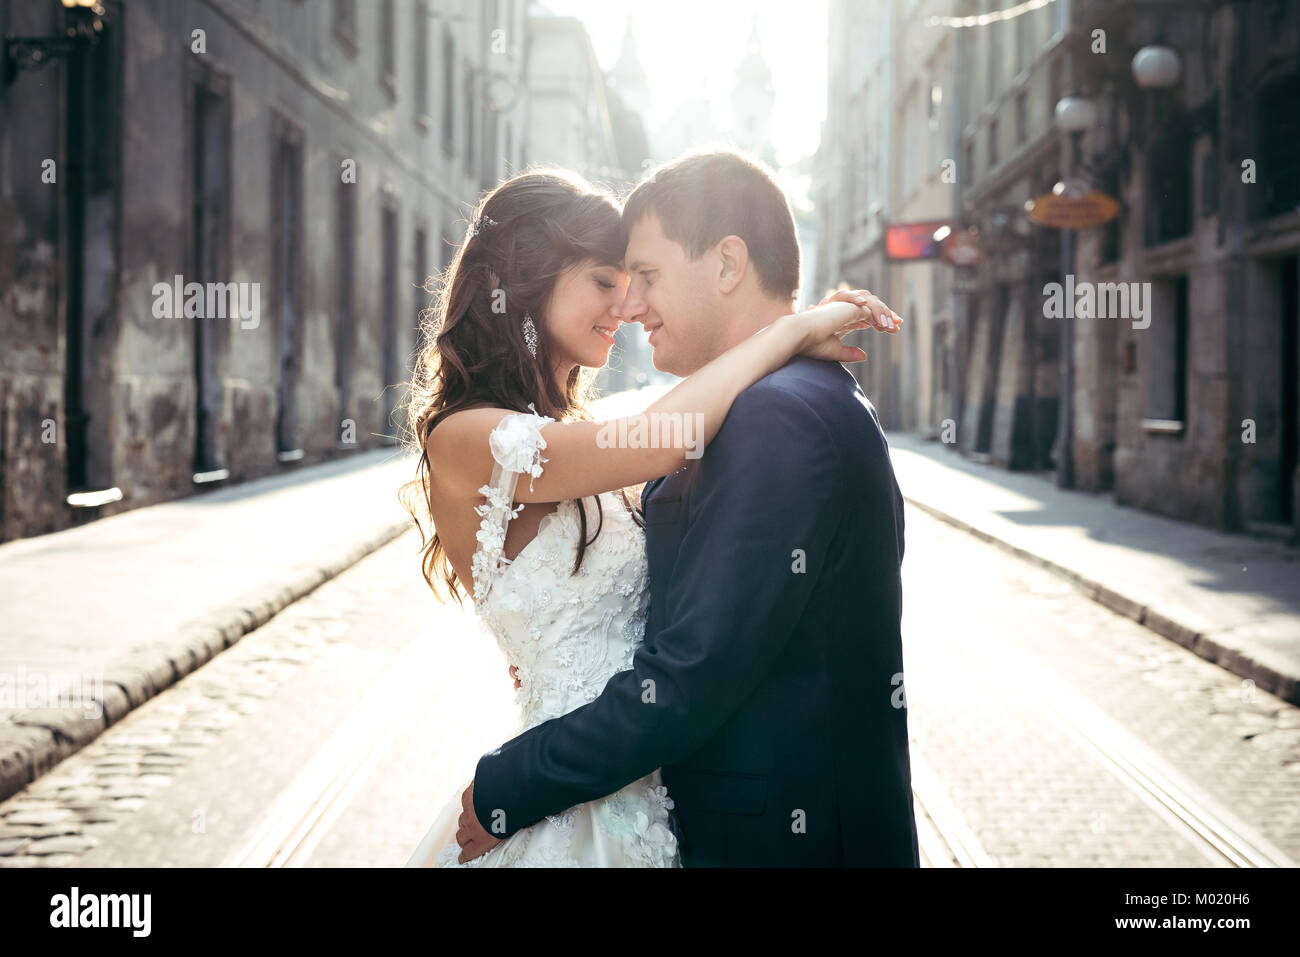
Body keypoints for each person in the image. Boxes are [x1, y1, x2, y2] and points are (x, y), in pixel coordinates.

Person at [401, 158, 905, 867]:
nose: (627, 305)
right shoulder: (472, 437)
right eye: (606, 280)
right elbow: (665, 440)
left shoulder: (605, 430)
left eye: (638, 277)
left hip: (636, 794)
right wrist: (788, 333)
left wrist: (785, 335)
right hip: (569, 803)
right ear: (526, 282)